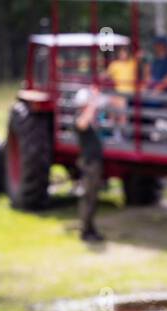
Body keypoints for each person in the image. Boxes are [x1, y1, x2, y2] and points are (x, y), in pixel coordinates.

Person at [73, 86, 105, 243]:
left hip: (94, 163)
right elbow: (83, 123)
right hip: (88, 164)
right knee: (88, 198)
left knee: (93, 199)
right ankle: (86, 232)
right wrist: (93, 101)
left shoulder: (90, 120)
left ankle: (91, 229)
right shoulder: (79, 119)